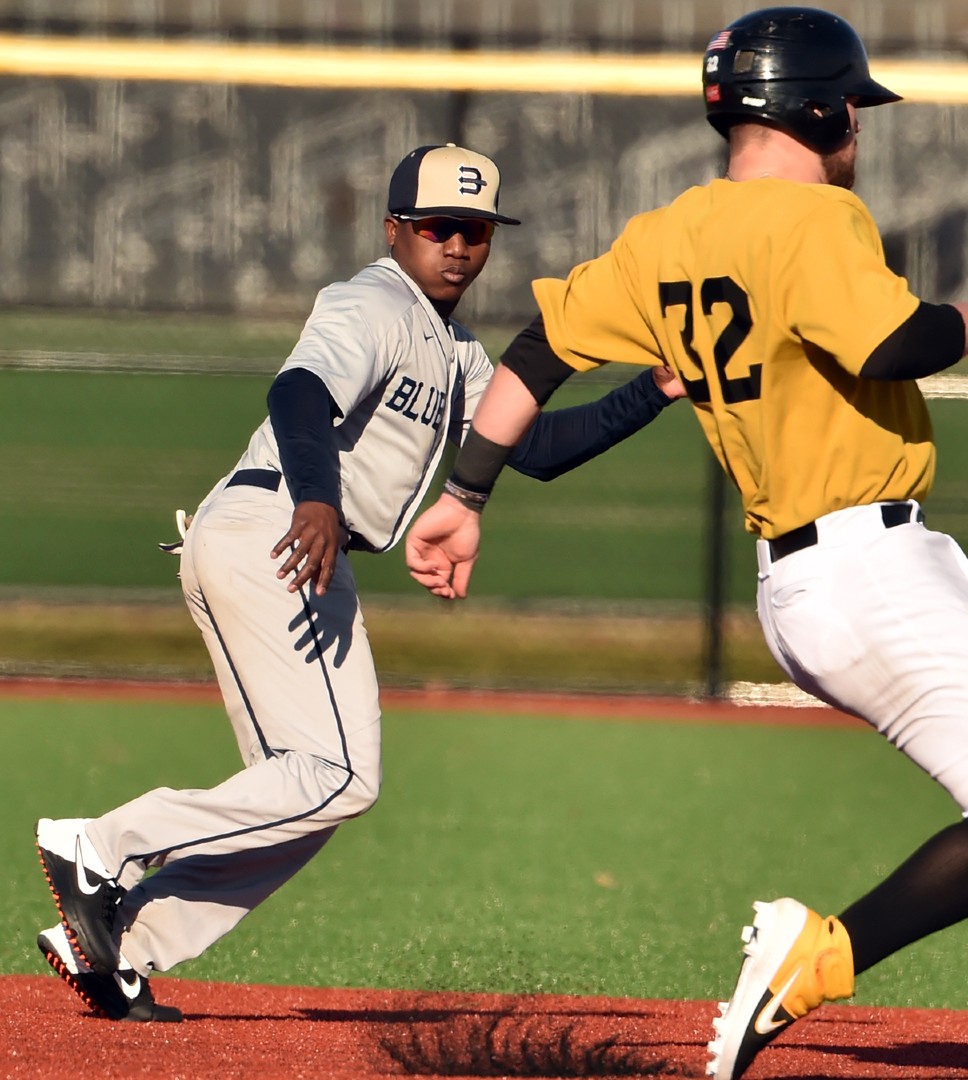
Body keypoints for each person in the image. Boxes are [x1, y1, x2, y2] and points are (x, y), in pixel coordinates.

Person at [401, 9, 968, 1079]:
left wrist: (467, 491)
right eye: (855, 110)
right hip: (862, 570)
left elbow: (538, 351)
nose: (860, 131)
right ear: (824, 109)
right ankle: (822, 952)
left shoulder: (664, 237)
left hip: (834, 572)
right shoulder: (817, 220)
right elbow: (896, 341)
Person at [33, 144, 684, 1022]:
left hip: (291, 542)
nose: (458, 246)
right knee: (340, 777)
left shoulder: (455, 349)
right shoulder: (372, 301)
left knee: (314, 791)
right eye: (439, 227)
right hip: (283, 531)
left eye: (477, 231)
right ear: (396, 230)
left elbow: (537, 448)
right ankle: (103, 843)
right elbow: (299, 392)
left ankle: (119, 943)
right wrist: (316, 499)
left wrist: (657, 388)